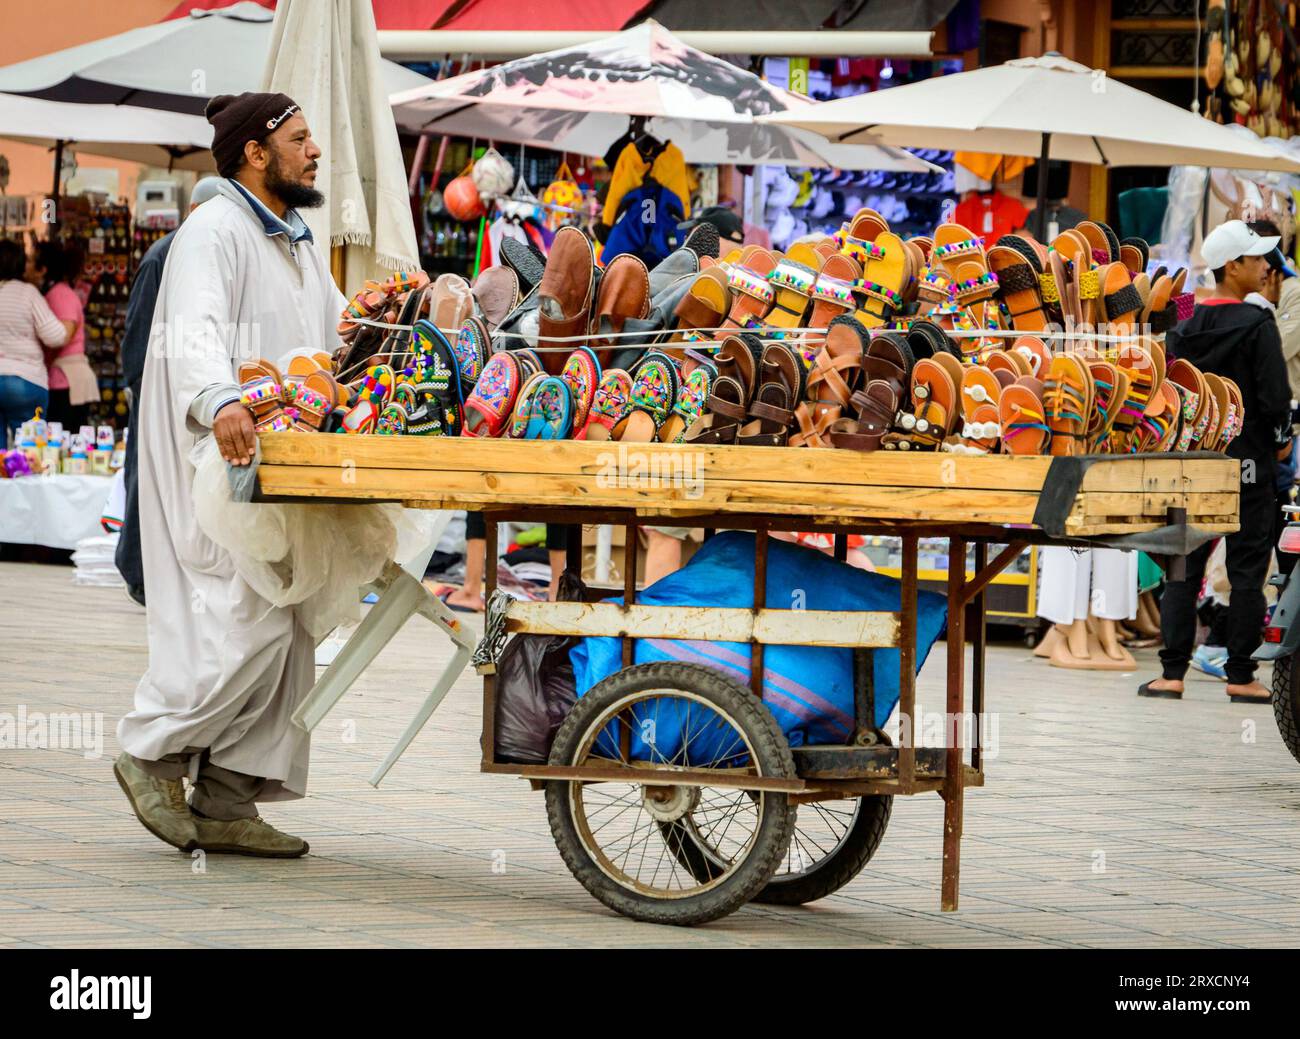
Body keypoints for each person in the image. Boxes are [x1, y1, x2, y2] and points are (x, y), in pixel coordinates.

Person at [114, 92, 343, 858]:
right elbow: (193, 332)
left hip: (284, 466)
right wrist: (219, 400)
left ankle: (227, 797)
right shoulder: (214, 229)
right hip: (223, 463)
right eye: (302, 139)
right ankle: (149, 750)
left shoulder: (297, 242)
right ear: (255, 150)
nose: (315, 152)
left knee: (295, 628)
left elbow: (339, 329)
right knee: (250, 625)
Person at [1139, 220, 1292, 704]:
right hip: (1248, 466)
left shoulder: (1184, 319)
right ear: (1233, 266)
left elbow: (1168, 380)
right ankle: (1240, 676)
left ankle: (1171, 674)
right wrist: (1281, 441)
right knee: (1247, 572)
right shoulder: (1257, 323)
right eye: (1256, 259)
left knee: (1182, 568)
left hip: (1193, 462)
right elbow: (1274, 399)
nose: (1267, 266)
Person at [115, 177, 223, 606]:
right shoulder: (164, 255)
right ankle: (139, 573)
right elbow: (139, 335)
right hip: (159, 390)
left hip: (194, 390)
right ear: (196, 212)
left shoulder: (207, 255)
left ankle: (173, 573)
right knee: (149, 480)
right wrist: (145, 391)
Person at [0, 238, 75, 442]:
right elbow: (55, 336)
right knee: (28, 446)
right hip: (25, 380)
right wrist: (71, 326)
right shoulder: (28, 293)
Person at [39, 242, 96, 431]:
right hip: (68, 379)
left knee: (62, 439)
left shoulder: (60, 294)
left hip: (66, 381)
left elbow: (64, 333)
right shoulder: (63, 293)